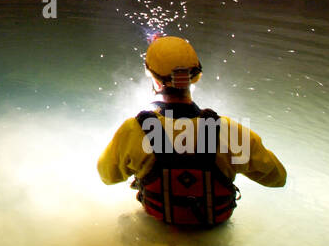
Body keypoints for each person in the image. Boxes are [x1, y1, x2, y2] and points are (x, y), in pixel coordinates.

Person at [97, 35, 286, 226]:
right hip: (214, 239)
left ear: (154, 79)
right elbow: (278, 178)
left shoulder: (133, 131)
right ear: (196, 77)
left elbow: (107, 176)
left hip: (154, 232)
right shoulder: (230, 132)